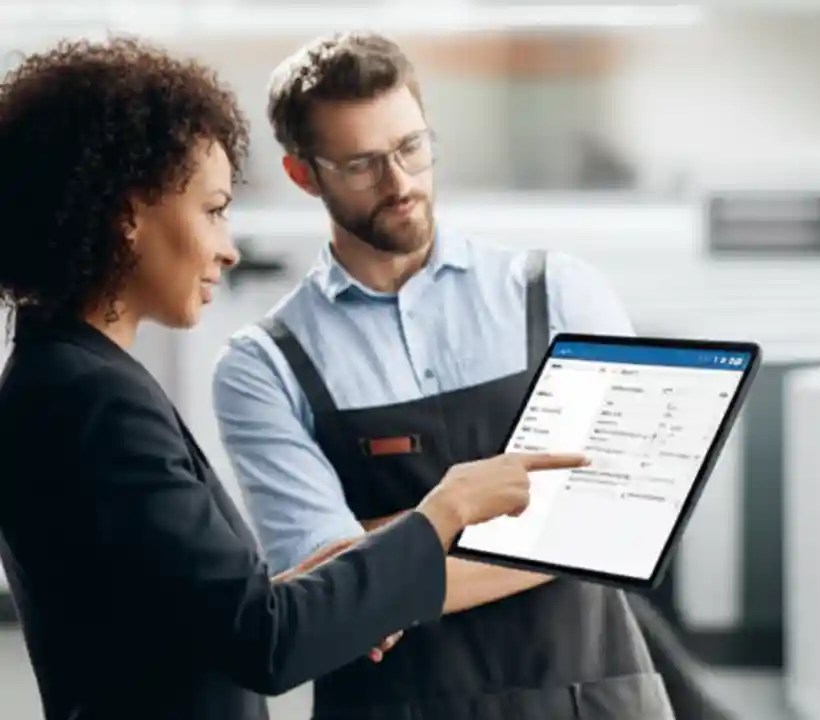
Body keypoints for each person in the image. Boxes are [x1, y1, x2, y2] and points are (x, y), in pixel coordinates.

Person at [0, 38, 585, 720]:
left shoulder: (65, 378)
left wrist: (354, 587)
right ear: (129, 215)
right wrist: (444, 512)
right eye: (214, 210)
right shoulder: (93, 401)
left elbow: (208, 605)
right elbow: (266, 639)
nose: (229, 248)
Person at [213, 32, 681, 719]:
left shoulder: (560, 293)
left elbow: (626, 516)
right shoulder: (261, 367)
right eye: (363, 164)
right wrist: (542, 523)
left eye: (411, 147)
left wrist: (390, 567)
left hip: (594, 698)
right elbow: (327, 590)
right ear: (303, 175)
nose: (400, 183)